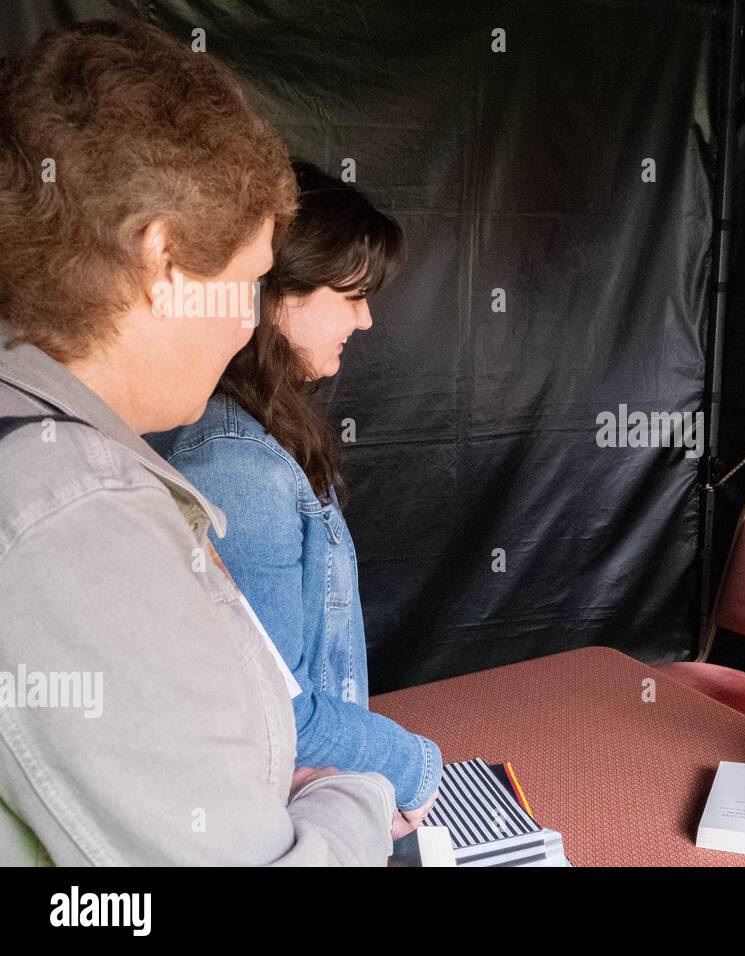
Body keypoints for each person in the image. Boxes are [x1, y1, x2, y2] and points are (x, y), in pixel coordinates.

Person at [0, 21, 396, 864]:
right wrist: (357, 789)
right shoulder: (76, 515)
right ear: (164, 258)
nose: (250, 321)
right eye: (252, 279)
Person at [146, 161, 441, 838]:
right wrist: (418, 765)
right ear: (279, 294)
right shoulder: (236, 466)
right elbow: (277, 713)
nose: (366, 320)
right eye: (352, 295)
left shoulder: (256, 434)